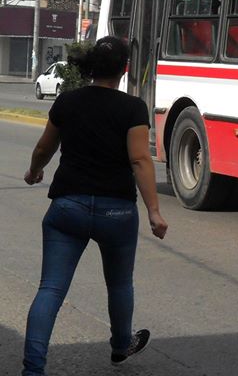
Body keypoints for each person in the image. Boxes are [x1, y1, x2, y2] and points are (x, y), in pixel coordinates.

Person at [21, 36, 168, 376]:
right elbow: (140, 161)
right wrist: (155, 212)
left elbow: (45, 148)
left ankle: (33, 369)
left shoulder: (67, 102)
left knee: (51, 289)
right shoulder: (132, 108)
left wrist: (33, 171)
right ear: (124, 69)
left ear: (90, 67)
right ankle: (120, 347)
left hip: (67, 207)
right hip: (116, 212)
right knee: (119, 284)